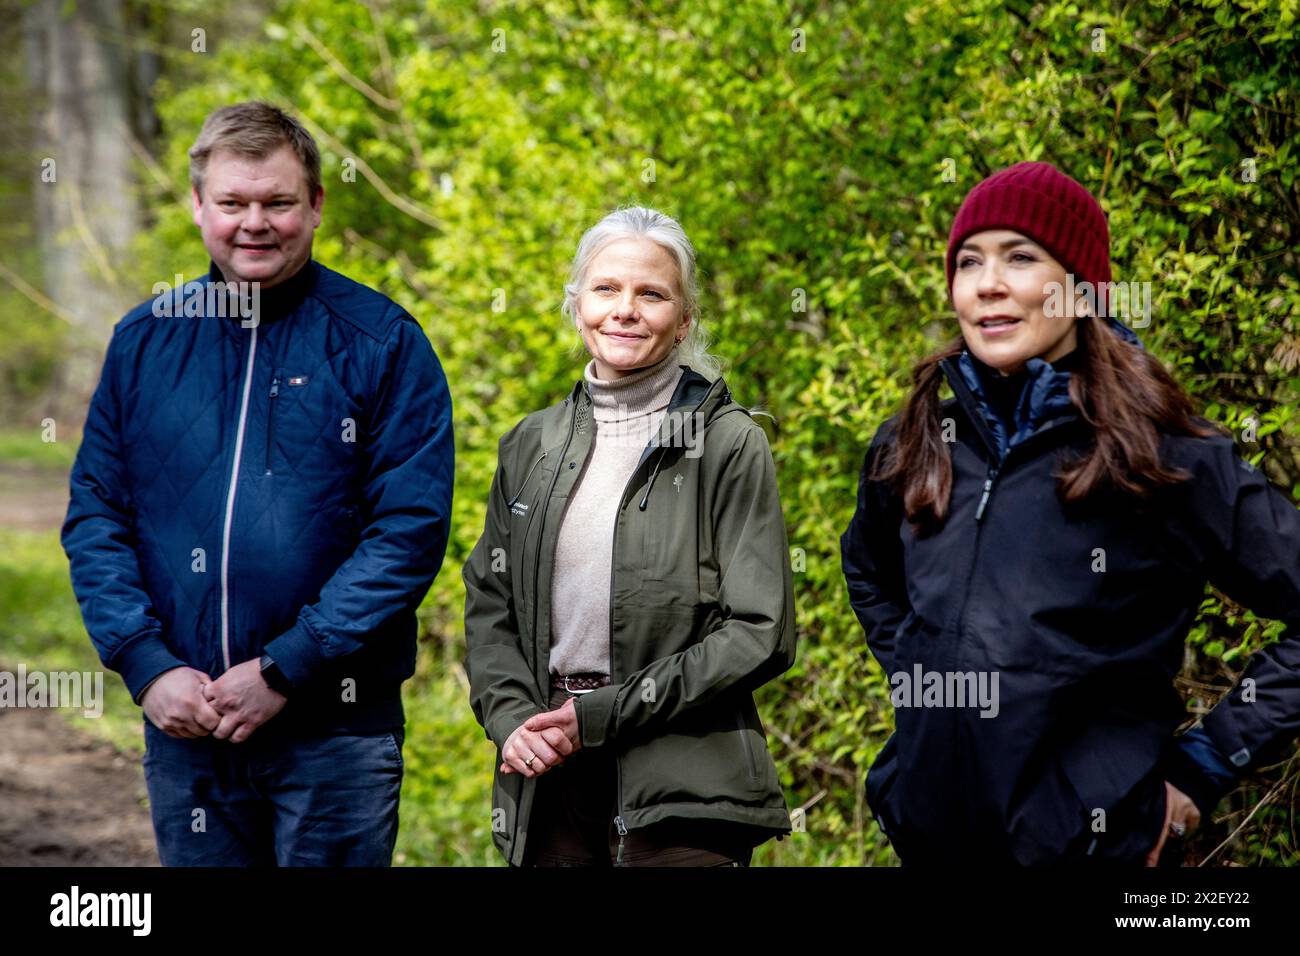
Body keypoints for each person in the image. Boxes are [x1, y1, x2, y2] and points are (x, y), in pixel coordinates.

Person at [841, 161, 1300, 866]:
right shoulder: (920, 440)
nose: (988, 282)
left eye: (1020, 257)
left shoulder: (1165, 455)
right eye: (969, 262)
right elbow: (868, 567)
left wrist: (1204, 765)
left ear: (1083, 290)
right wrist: (923, 675)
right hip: (932, 843)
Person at [61, 101, 455, 866]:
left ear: (315, 204)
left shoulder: (382, 343)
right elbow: (97, 516)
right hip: (189, 730)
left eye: (277, 202)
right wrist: (147, 664)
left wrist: (287, 667)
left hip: (335, 733)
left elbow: (407, 532)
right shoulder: (144, 342)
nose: (255, 223)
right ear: (198, 206)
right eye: (234, 203)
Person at [463, 206, 796, 867]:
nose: (626, 310)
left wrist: (604, 715)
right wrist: (509, 720)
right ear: (577, 303)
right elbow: (489, 600)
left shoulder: (729, 443)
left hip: (685, 786)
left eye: (652, 294)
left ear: (684, 320)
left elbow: (761, 632)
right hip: (548, 773)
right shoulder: (531, 443)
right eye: (606, 289)